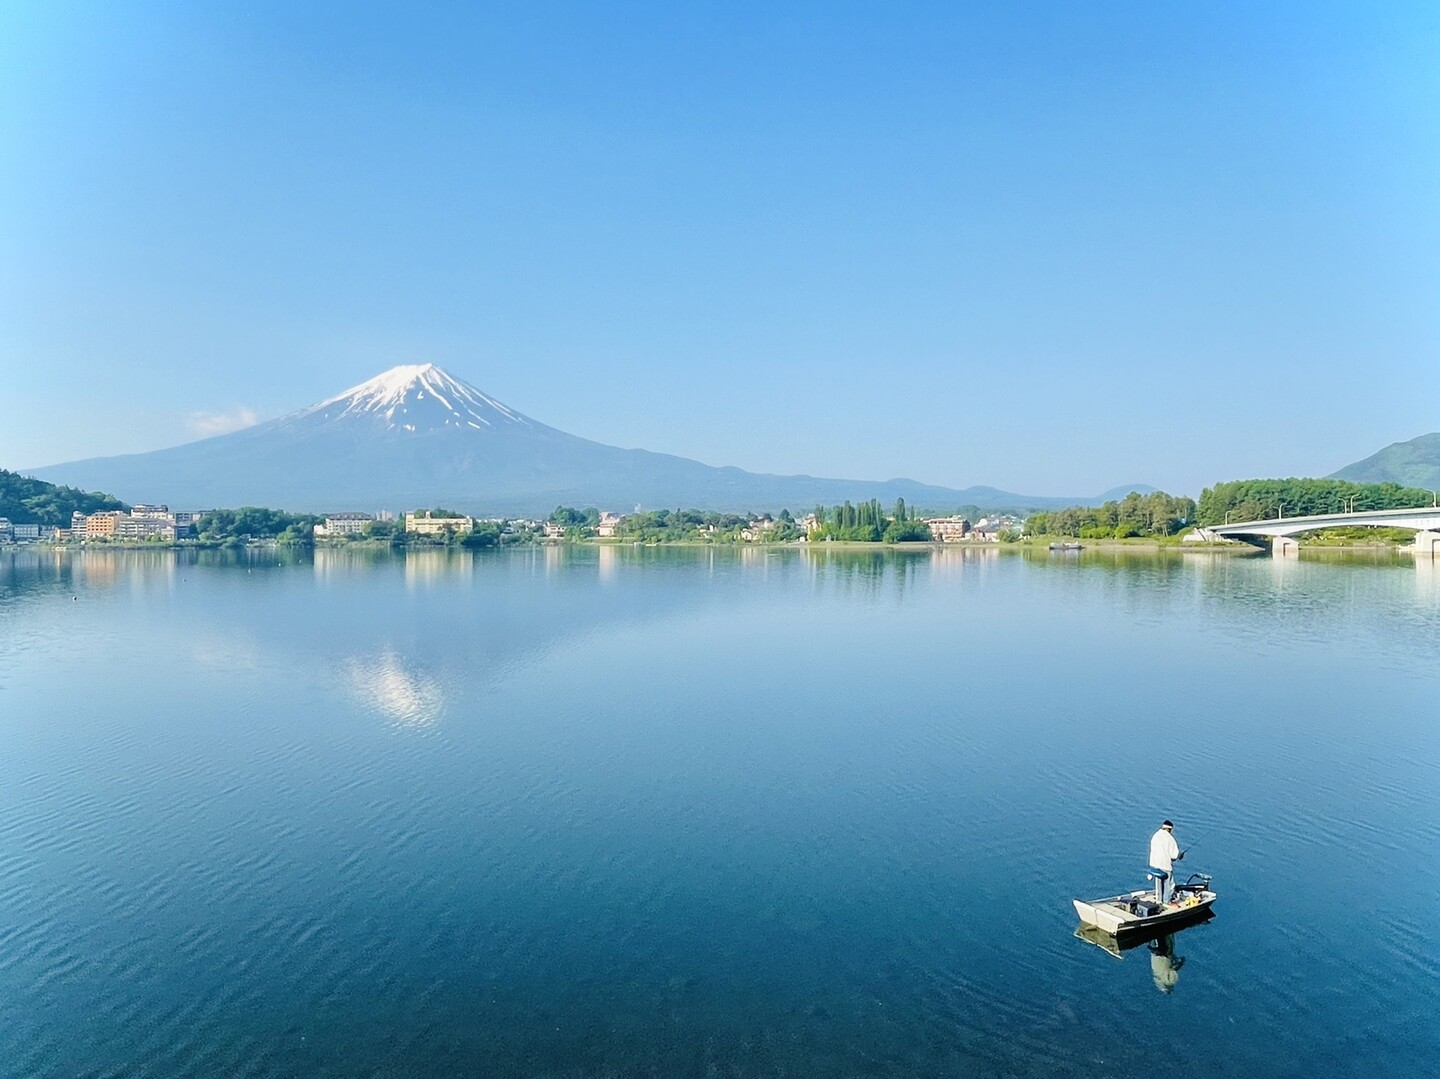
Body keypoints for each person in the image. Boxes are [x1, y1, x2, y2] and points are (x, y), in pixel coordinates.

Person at [1148, 820, 1182, 904]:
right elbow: (1174, 855)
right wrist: (1179, 856)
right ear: (1170, 829)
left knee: (1159, 883)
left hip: (1154, 865)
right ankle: (1167, 901)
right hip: (1165, 865)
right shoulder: (1170, 839)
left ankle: (1159, 900)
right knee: (1169, 884)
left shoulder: (1155, 835)